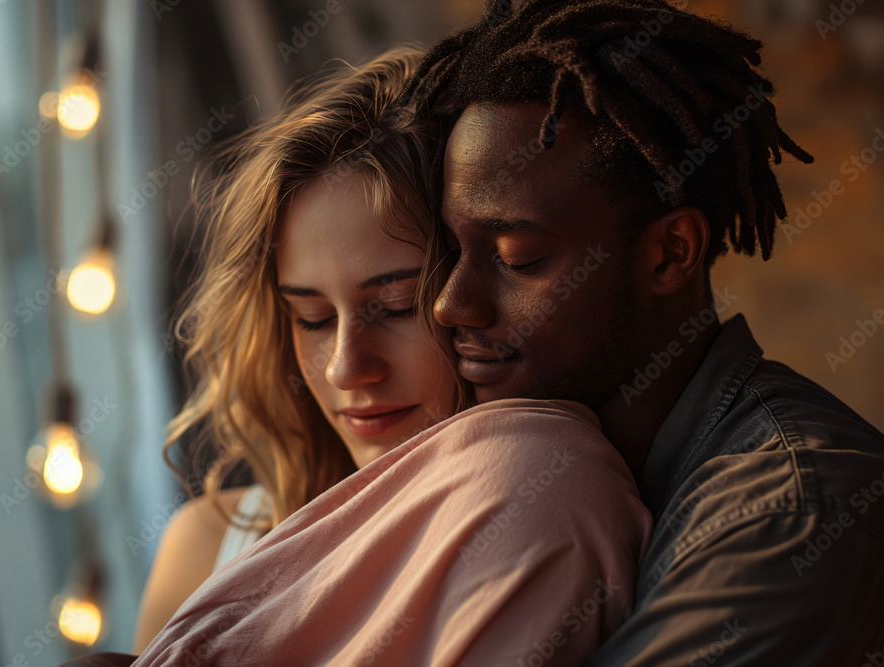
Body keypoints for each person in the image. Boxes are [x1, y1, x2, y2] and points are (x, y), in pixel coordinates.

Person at [397, 0, 884, 664]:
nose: (453, 304)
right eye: (452, 251)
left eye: (517, 259)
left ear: (670, 254)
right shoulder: (564, 472)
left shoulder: (789, 513)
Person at [123, 46, 652, 666]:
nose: (346, 368)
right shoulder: (203, 545)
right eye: (312, 319)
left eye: (399, 306)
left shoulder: (548, 497)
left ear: (480, 293)